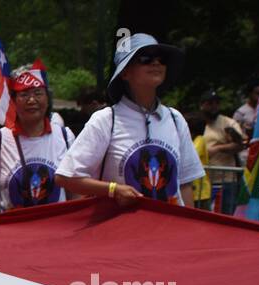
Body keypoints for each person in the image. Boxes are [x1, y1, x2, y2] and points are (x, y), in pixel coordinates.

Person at [55, 32, 204, 208]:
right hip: (121, 231)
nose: (156, 63)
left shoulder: (175, 119)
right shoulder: (107, 120)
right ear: (125, 73)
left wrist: (191, 229)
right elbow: (66, 177)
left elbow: (185, 183)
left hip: (169, 231)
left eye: (161, 59)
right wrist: (113, 189)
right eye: (146, 58)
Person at [0, 66, 75, 223]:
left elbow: (74, 190)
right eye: (24, 95)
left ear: (47, 98)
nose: (32, 100)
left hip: (56, 233)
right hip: (10, 234)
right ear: (13, 101)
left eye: (38, 93)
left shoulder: (65, 137)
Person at [199, 90, 246, 214]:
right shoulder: (196, 123)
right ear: (202, 105)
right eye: (210, 103)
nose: (214, 106)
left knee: (225, 217)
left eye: (216, 103)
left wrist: (218, 148)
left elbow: (240, 145)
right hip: (201, 181)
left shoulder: (228, 123)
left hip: (225, 180)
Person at [186, 113, 212, 210]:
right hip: (194, 190)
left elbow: (191, 154)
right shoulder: (192, 140)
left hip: (201, 191)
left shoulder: (200, 140)